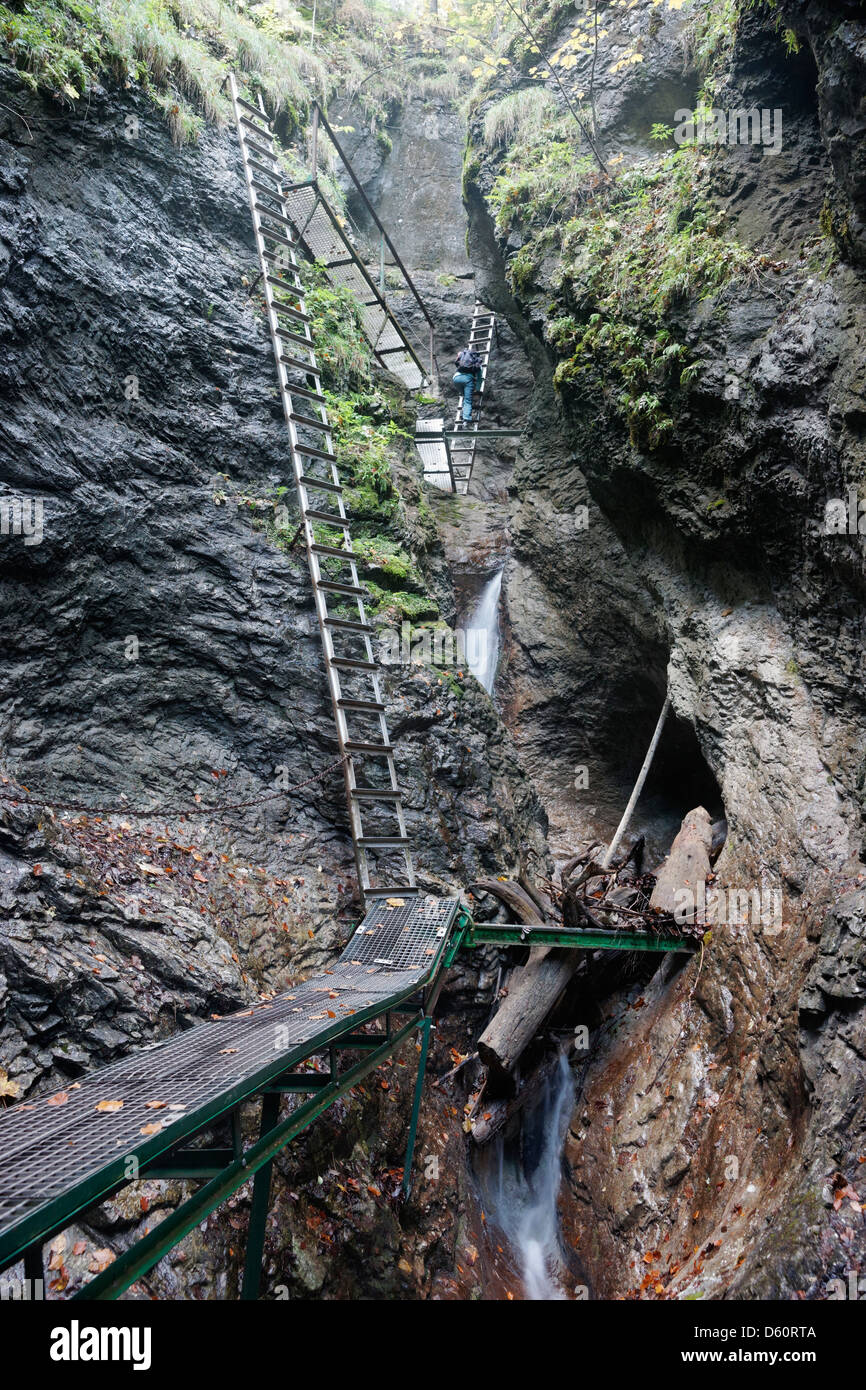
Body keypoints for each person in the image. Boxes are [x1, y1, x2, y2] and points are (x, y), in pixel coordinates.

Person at [452, 344, 483, 424]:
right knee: (467, 400)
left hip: (456, 378)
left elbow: (457, 363)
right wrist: (477, 389)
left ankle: (464, 414)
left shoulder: (463, 357)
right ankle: (466, 419)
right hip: (467, 380)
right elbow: (479, 379)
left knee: (465, 397)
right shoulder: (477, 363)